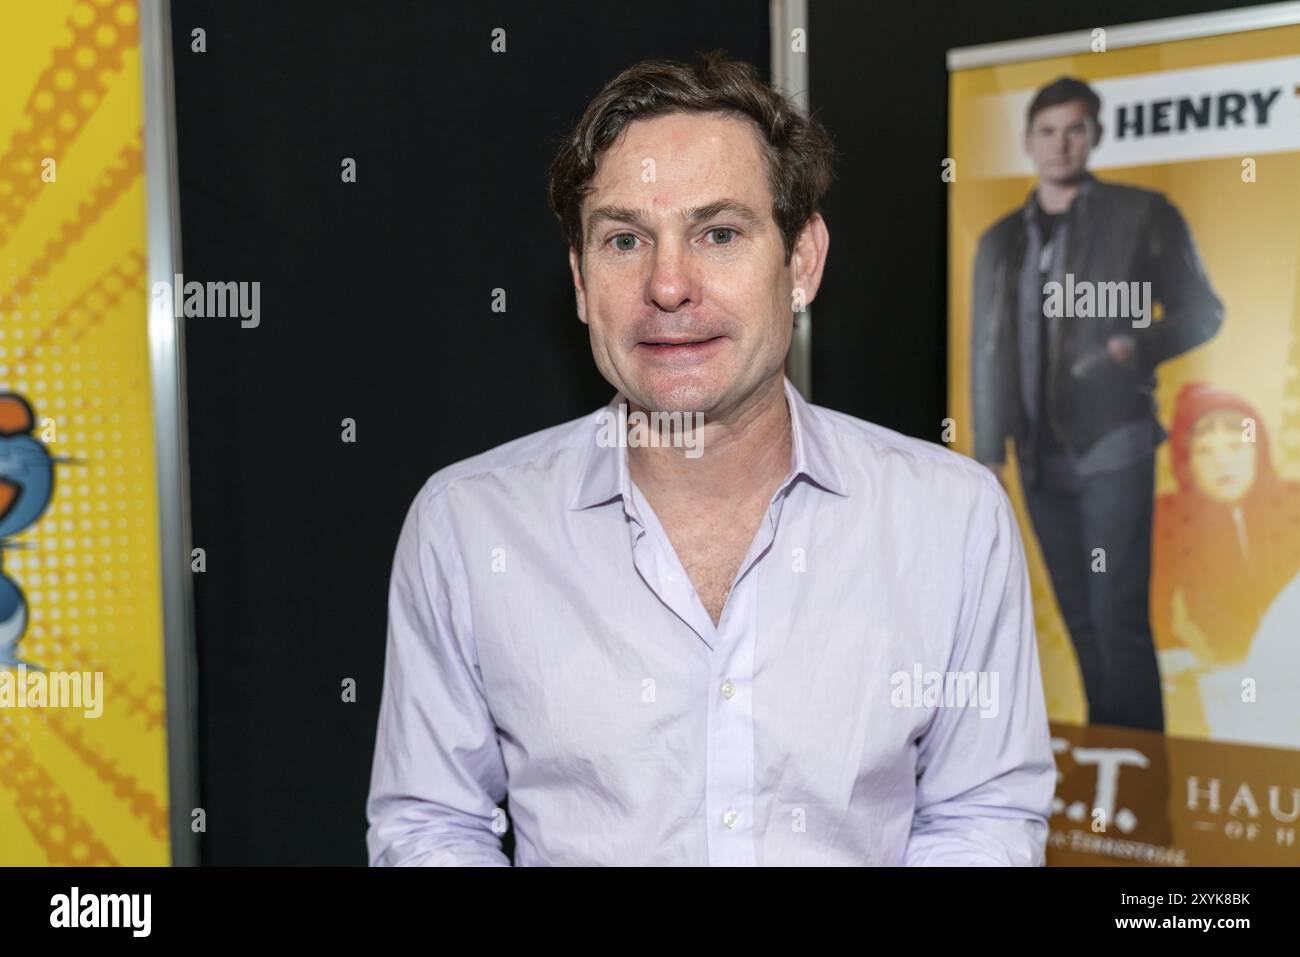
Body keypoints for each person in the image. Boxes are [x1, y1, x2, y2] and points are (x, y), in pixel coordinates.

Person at [366, 52, 1054, 866]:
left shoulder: (953, 519)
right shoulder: (467, 527)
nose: (668, 285)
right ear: (582, 282)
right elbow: (431, 828)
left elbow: (982, 815)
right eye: (625, 239)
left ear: (801, 261)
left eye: (718, 233)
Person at [971, 76, 1224, 732]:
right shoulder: (999, 239)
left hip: (1113, 445)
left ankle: (1144, 783)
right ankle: (1112, 758)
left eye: (1075, 129)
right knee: (1079, 616)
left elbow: (1203, 311)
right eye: (1048, 131)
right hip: (1034, 456)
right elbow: (988, 349)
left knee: (1117, 615)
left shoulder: (1142, 214)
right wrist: (986, 452)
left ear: (1096, 136)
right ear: (1029, 141)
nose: (1061, 144)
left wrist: (1131, 345)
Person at [1150, 383, 1300, 736]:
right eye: (1204, 451)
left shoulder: (1294, 499)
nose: (1223, 463)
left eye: (1236, 446)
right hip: (1226, 682)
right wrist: (1179, 658)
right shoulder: (1168, 518)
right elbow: (1152, 610)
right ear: (1186, 463)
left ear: (1258, 449)